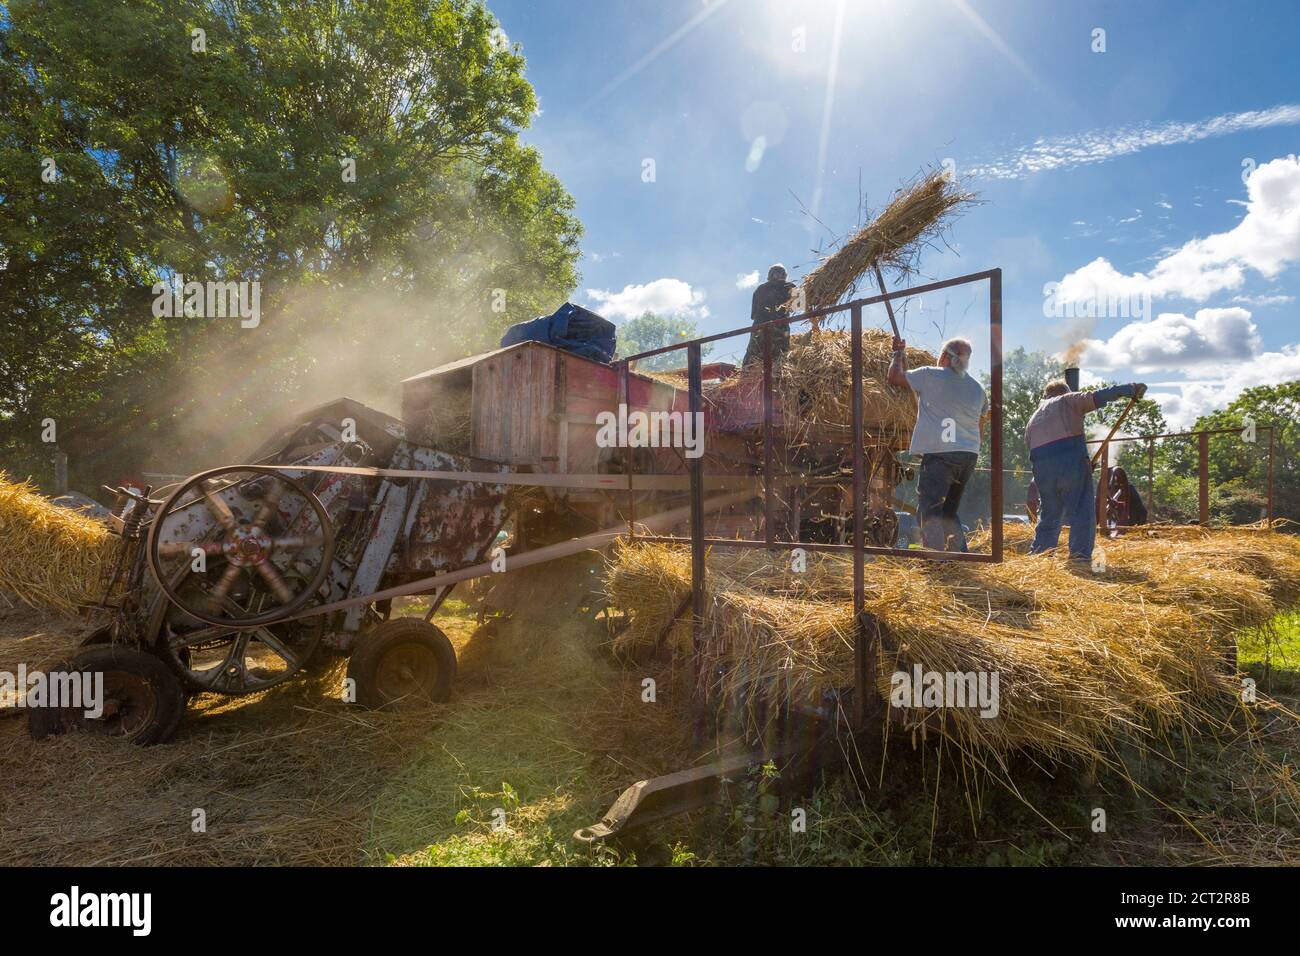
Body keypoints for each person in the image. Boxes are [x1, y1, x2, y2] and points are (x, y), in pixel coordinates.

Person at [1026, 379, 1146, 562]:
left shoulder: (1034, 417)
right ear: (1064, 391)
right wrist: (1130, 388)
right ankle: (1079, 556)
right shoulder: (1067, 400)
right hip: (1069, 460)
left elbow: (1032, 448)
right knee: (1082, 509)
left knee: (1050, 513)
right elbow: (1098, 395)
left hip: (1041, 468)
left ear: (1046, 395)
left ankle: (1040, 554)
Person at [887, 337, 989, 552]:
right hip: (969, 455)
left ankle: (935, 560)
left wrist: (897, 354)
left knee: (930, 510)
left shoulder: (930, 374)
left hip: (941, 455)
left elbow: (894, 378)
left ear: (944, 357)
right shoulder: (978, 389)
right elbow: (981, 431)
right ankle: (960, 558)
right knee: (949, 511)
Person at [742, 264, 797, 368]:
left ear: (769, 276)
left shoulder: (759, 290)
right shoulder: (791, 287)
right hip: (780, 332)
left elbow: (754, 316)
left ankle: (746, 377)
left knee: (752, 360)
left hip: (758, 331)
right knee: (779, 359)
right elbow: (799, 306)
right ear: (784, 275)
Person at [1098, 465, 1147, 535]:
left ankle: (1138, 533)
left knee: (1137, 526)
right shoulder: (1123, 488)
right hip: (1131, 510)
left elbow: (1123, 500)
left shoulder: (1127, 488)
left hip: (1136, 511)